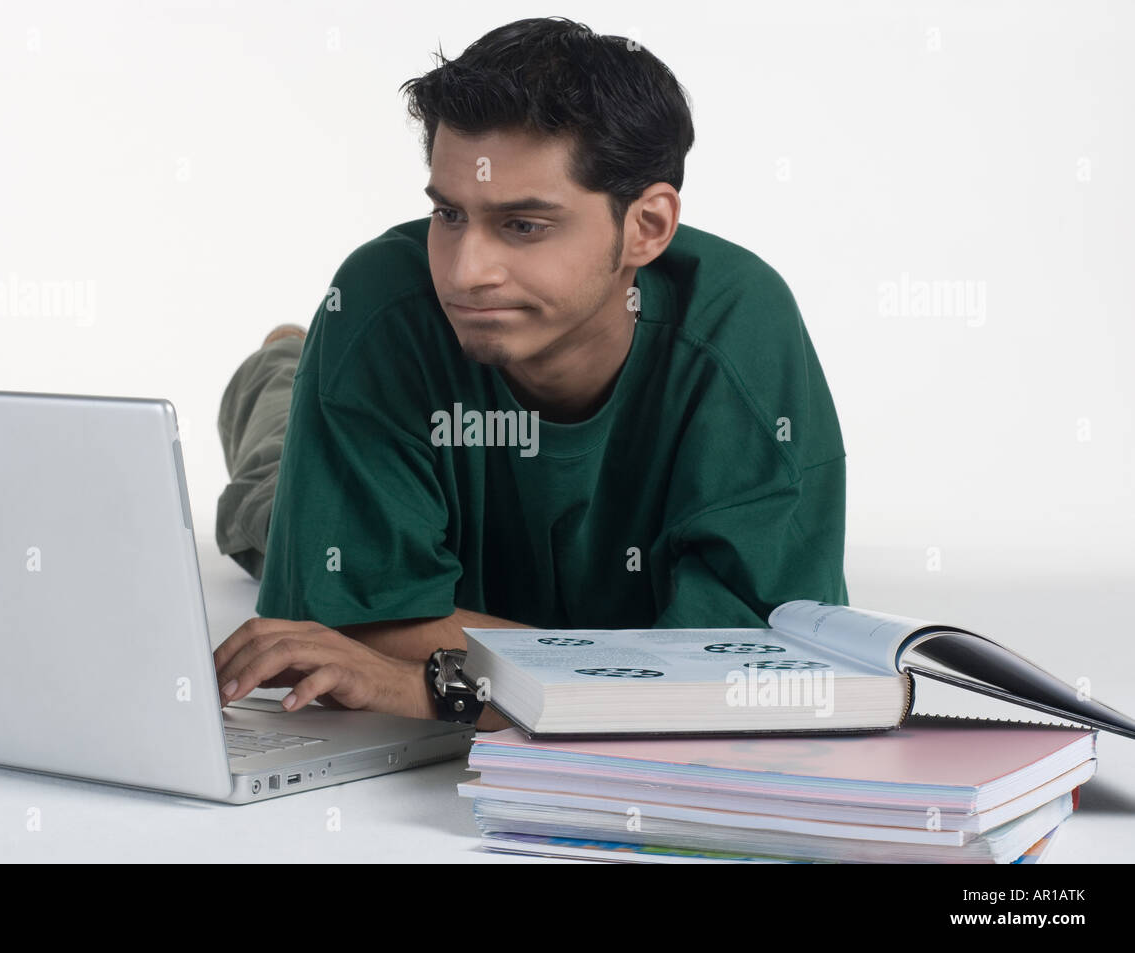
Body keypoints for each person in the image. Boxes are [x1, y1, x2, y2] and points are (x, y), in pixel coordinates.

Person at [213, 17, 848, 731]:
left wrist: (434, 684)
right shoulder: (379, 306)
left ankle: (291, 366)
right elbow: (339, 630)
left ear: (646, 227)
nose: (465, 273)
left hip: (470, 571)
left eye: (523, 225)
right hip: (367, 441)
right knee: (270, 497)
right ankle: (284, 366)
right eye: (449, 213)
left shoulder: (741, 326)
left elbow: (747, 672)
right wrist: (621, 669)